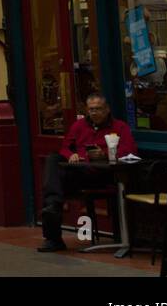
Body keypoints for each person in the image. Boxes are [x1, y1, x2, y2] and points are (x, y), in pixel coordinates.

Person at [38, 92, 138, 252]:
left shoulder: (120, 127)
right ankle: (53, 218)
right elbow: (65, 147)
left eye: (98, 109)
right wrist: (72, 155)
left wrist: (104, 155)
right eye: (91, 109)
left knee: (54, 189)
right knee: (53, 160)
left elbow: (130, 150)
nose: (94, 113)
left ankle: (52, 212)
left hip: (104, 175)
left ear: (107, 110)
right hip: (80, 173)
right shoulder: (79, 126)